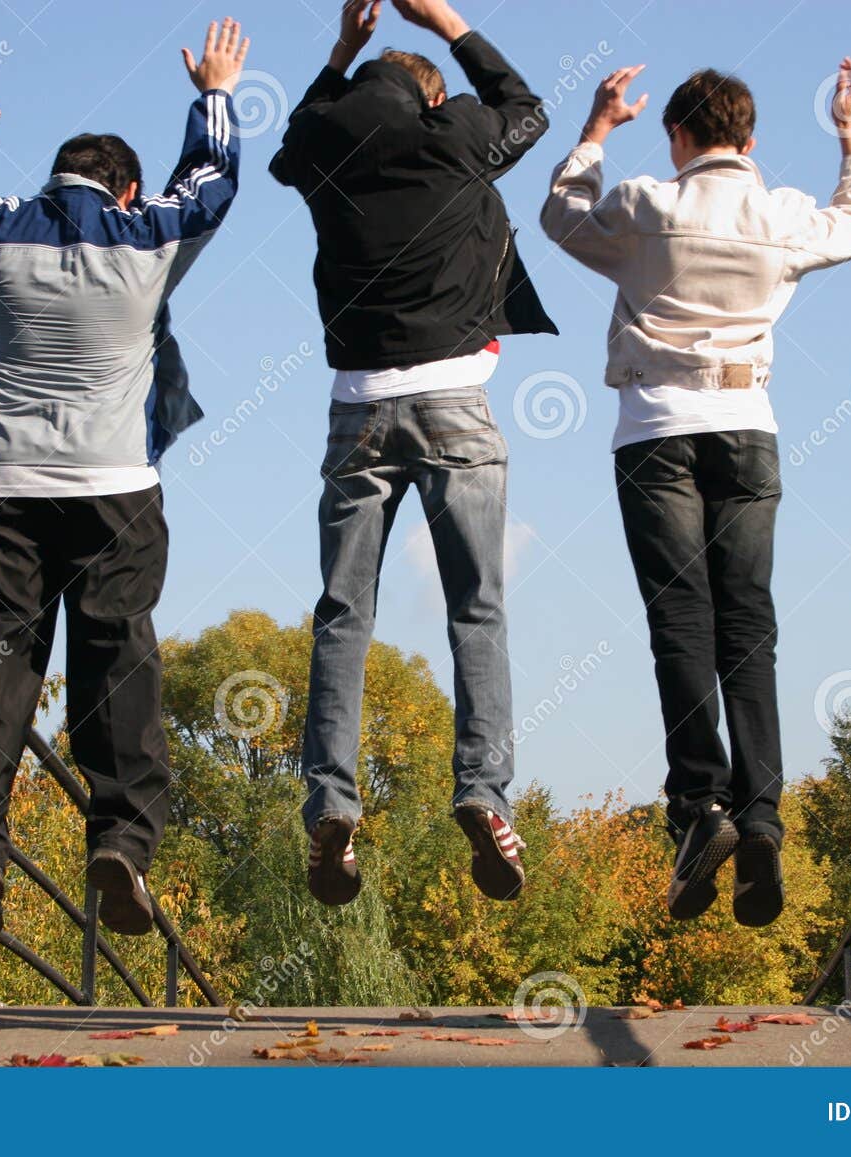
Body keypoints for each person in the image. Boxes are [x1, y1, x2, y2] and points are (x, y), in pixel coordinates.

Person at [0, 19, 250, 939]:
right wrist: (212, 93)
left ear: (57, 171)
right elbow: (212, 186)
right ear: (126, 188)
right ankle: (122, 843)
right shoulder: (146, 237)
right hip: (115, 485)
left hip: (3, 487)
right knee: (116, 652)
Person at [541, 59, 851, 926]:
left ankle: (703, 808)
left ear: (679, 135)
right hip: (748, 425)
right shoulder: (782, 217)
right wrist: (850, 135)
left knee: (680, 623)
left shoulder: (650, 206)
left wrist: (595, 130)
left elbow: (560, 216)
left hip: (656, 430)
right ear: (750, 140)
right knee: (749, 624)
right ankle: (763, 813)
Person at [270, 0, 557, 906]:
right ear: (433, 95)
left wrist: (339, 51)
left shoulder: (325, 144)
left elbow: (289, 143)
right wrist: (449, 21)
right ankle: (482, 791)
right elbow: (528, 107)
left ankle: (331, 802)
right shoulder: (459, 135)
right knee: (478, 608)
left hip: (357, 405)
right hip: (453, 403)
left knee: (342, 613)